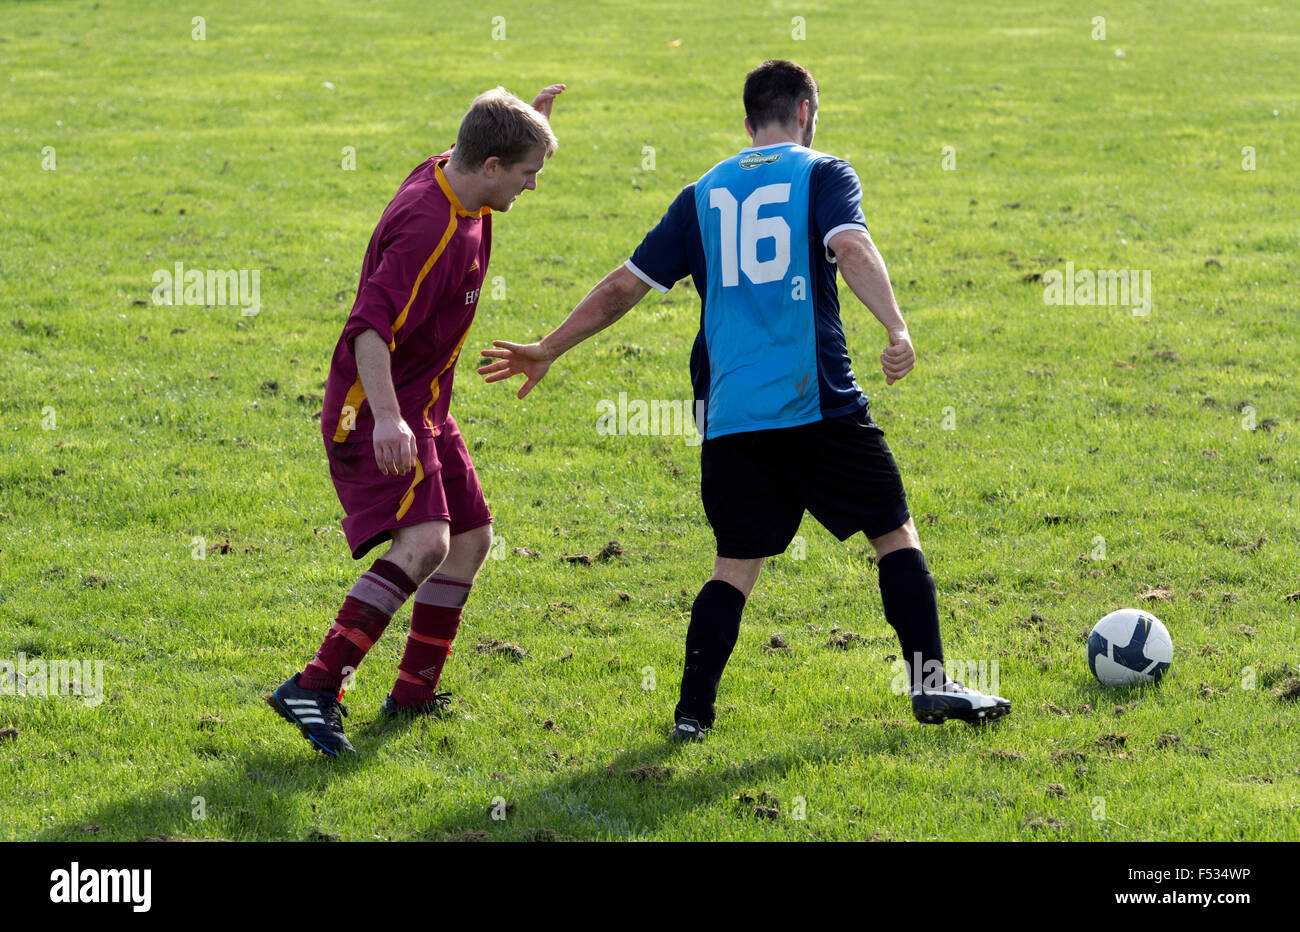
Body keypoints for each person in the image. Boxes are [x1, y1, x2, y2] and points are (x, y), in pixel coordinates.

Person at [478, 61, 1009, 740]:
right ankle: (931, 685)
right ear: (807, 112)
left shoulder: (701, 193)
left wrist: (549, 347)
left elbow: (625, 286)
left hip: (730, 412)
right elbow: (849, 245)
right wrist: (897, 328)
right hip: (817, 402)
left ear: (748, 122)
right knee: (892, 532)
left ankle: (692, 716)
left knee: (735, 563)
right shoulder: (822, 172)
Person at [268, 84, 565, 756]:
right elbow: (367, 328)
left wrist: (534, 130)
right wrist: (386, 420)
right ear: (491, 168)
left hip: (426, 402)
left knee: (471, 539)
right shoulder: (429, 227)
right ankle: (315, 685)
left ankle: (414, 693)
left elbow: (487, 138)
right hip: (377, 412)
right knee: (427, 542)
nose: (532, 188)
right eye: (527, 174)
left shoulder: (459, 174)